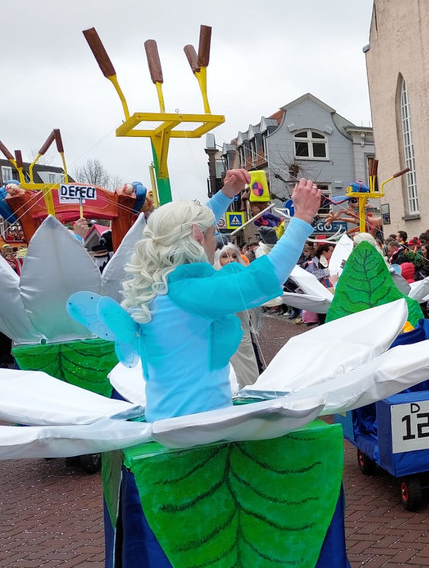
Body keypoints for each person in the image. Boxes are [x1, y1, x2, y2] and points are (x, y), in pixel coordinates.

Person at [115, 170, 319, 422]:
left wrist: (226, 195)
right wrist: (302, 218)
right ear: (197, 237)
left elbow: (193, 227)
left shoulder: (159, 285)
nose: (215, 244)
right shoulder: (189, 292)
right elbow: (265, 275)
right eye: (212, 235)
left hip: (165, 418)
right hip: (199, 425)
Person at [214, 243, 264, 386]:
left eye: (234, 256)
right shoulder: (211, 281)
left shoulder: (245, 279)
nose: (230, 260)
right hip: (220, 337)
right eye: (224, 256)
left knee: (248, 372)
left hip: (242, 336)